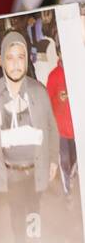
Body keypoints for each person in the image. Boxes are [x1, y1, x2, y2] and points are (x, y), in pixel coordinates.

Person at [0, 30, 60, 243]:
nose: (15, 64)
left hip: (35, 167)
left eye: (20, 57)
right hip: (11, 171)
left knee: (34, 209)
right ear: (2, 60)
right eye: (10, 58)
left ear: (26, 60)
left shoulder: (39, 91)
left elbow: (51, 127)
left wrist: (53, 159)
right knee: (16, 212)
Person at [40, 38, 75, 194]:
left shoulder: (76, 68)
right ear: (59, 53)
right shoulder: (54, 75)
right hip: (60, 129)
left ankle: (73, 179)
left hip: (76, 126)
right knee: (65, 161)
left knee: (75, 159)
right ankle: (67, 188)